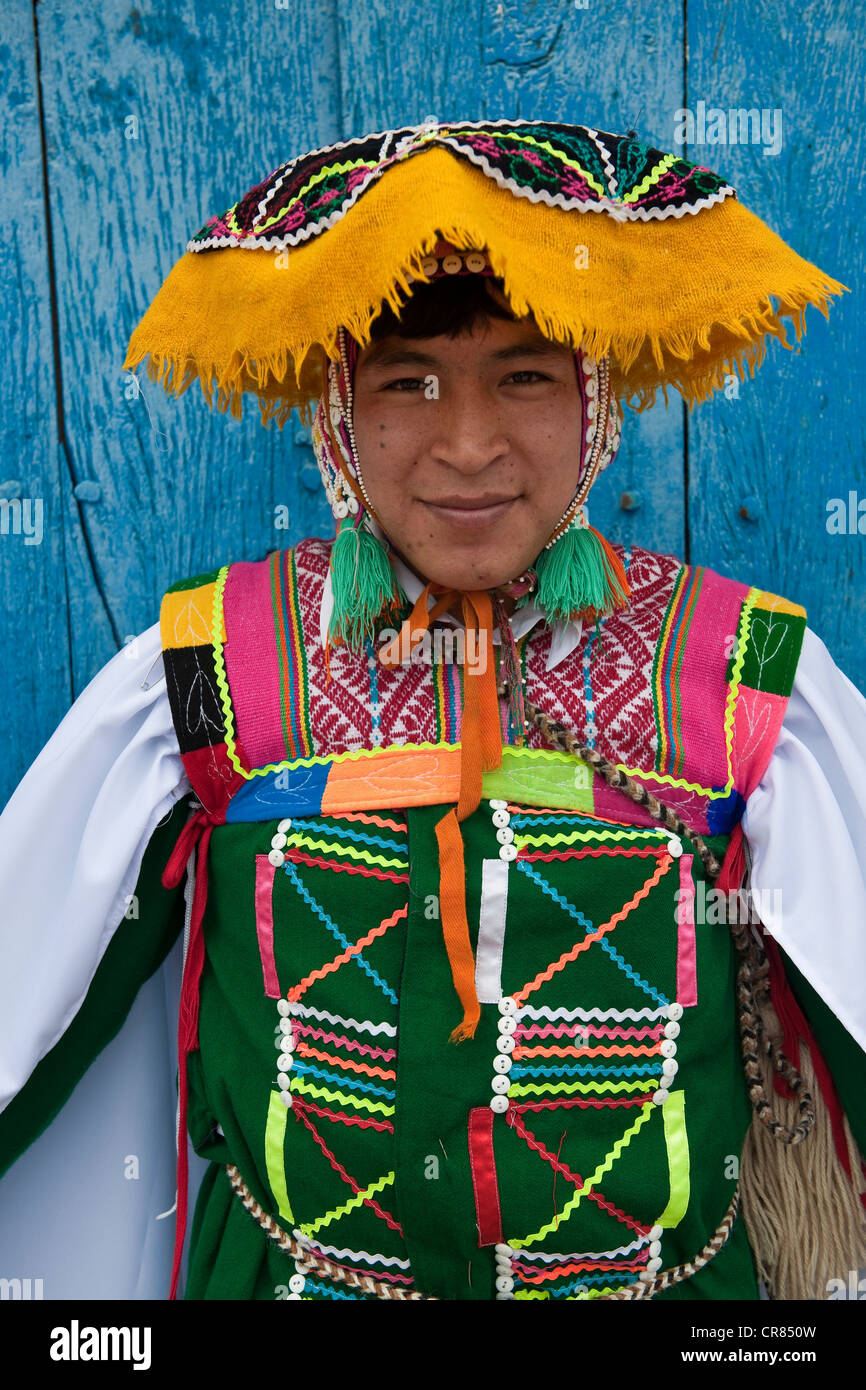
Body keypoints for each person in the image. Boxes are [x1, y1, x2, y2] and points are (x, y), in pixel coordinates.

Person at [1, 119, 865, 1303]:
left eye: (523, 376)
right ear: (340, 413)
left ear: (595, 399)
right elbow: (24, 1005)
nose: (468, 446)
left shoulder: (738, 675)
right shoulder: (207, 671)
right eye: (408, 382)